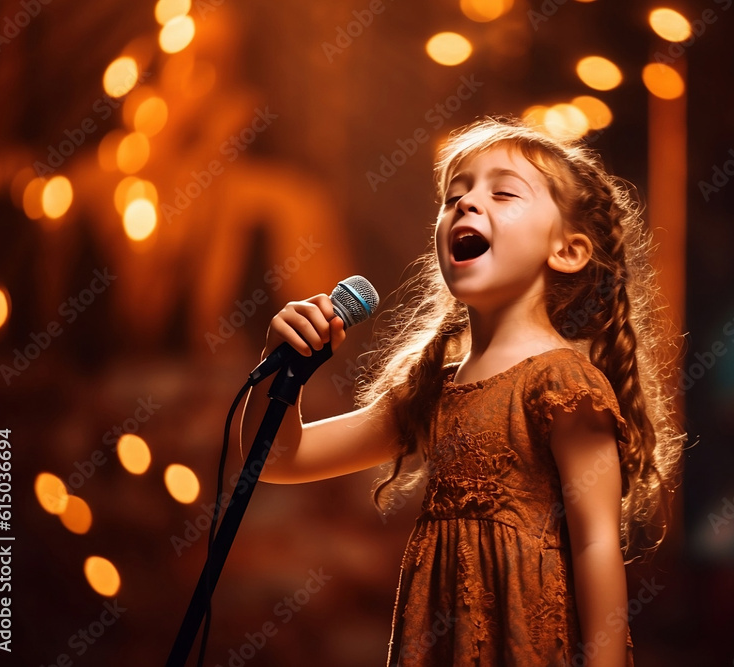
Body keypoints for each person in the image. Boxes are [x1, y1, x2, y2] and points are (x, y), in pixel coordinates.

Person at [239, 116, 684, 666]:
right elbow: (279, 459)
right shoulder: (430, 392)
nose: (467, 205)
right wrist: (282, 372)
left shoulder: (563, 383)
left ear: (567, 251)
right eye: (454, 196)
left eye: (502, 192)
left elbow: (596, 546)